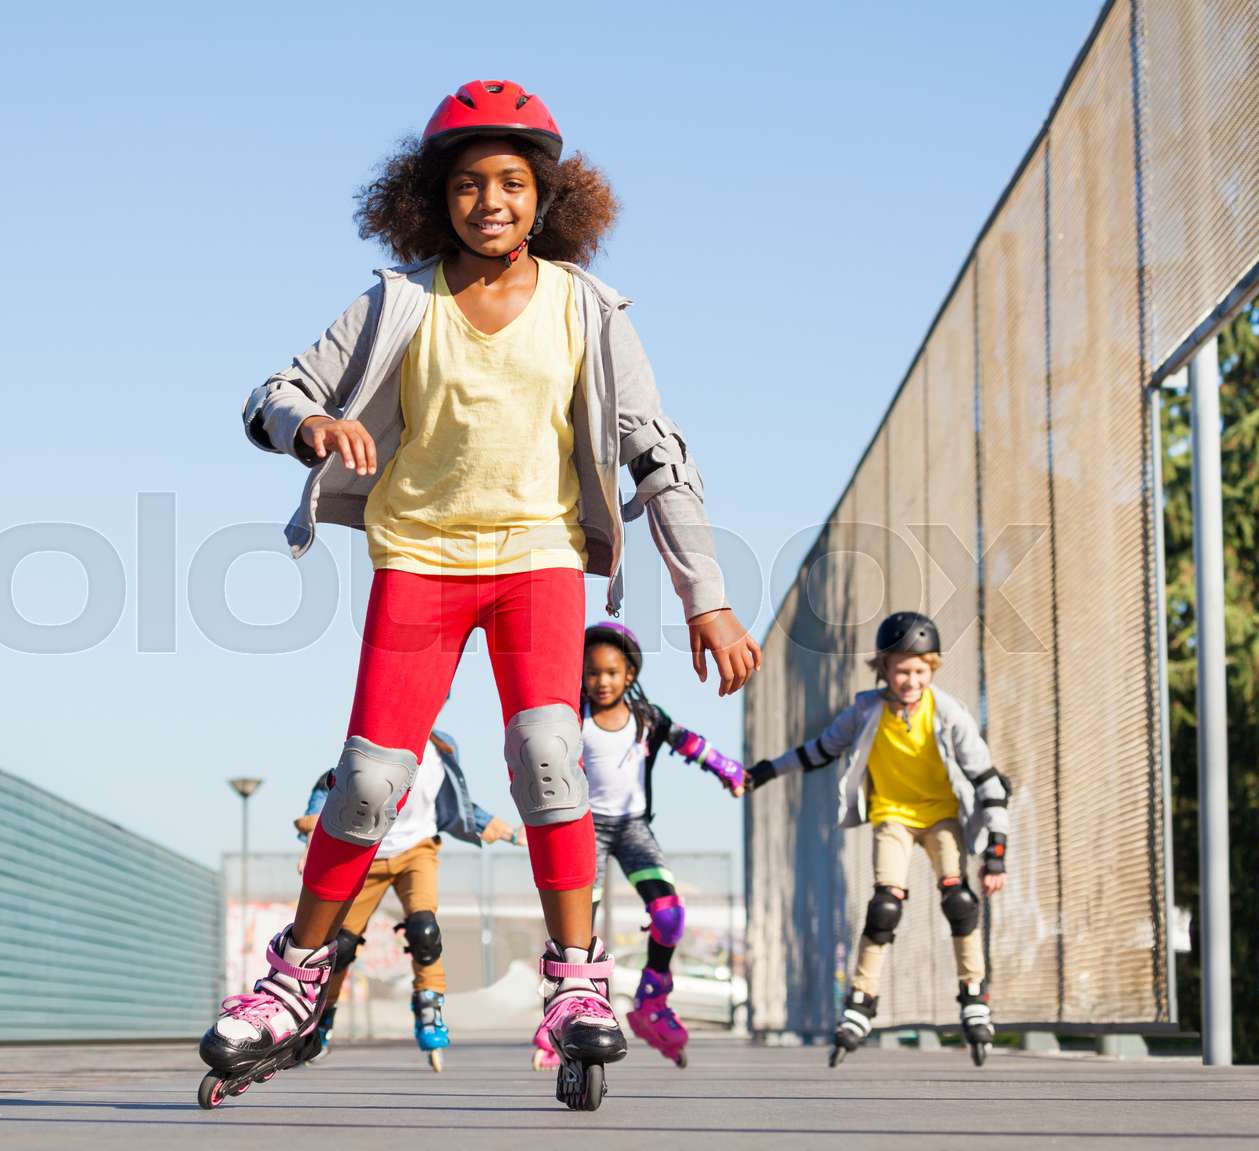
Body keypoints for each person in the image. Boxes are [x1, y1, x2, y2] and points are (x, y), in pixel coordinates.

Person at [199, 79, 761, 1112]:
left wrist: (706, 598)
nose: (488, 200)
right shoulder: (396, 302)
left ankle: (576, 976)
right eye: (466, 184)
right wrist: (311, 430)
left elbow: (656, 456)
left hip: (537, 557)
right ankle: (295, 974)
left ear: (546, 196)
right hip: (417, 556)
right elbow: (267, 396)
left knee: (547, 754)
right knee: (367, 779)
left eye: (510, 181)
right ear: (432, 198)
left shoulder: (587, 308)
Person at [746, 611, 1010, 1066]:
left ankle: (973, 991)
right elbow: (820, 750)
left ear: (933, 669)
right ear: (883, 669)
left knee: (959, 899)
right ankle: (862, 998)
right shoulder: (866, 710)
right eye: (902, 670)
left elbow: (989, 781)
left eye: (920, 671)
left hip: (943, 816)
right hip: (893, 817)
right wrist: (769, 770)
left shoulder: (948, 713)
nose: (911, 680)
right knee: (885, 904)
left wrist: (998, 853)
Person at [531, 621, 744, 1071]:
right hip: (586, 827)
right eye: (591, 673)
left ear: (629, 674)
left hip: (633, 830)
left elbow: (688, 742)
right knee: (576, 927)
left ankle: (653, 999)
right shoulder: (573, 717)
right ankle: (567, 1006)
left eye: (611, 672)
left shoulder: (647, 719)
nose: (601, 681)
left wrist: (726, 768)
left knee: (669, 914)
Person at [293, 728, 519, 1071]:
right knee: (340, 945)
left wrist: (500, 829)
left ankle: (429, 1009)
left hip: (418, 850)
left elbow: (457, 801)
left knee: (424, 929)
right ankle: (322, 1020)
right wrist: (313, 835)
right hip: (366, 852)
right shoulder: (374, 734)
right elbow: (331, 785)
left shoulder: (441, 747)